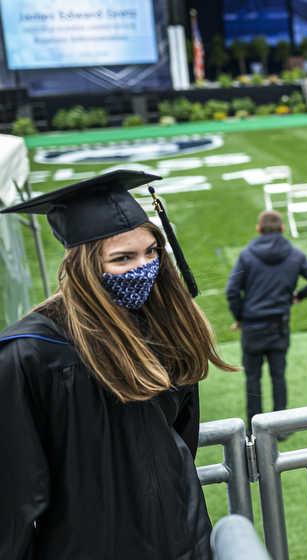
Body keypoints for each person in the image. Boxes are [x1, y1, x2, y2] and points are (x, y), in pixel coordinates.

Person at [0, 170, 237, 559]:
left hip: (186, 541)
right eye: (122, 257)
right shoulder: (30, 354)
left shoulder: (164, 328)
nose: (144, 267)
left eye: (151, 252)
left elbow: (181, 437)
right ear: (84, 266)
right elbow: (15, 498)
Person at [226, 209, 307, 431]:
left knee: (253, 378)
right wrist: (298, 296)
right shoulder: (295, 255)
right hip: (278, 326)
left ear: (259, 229)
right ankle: (281, 429)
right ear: (282, 229)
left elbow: (232, 292)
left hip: (251, 327)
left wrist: (239, 317)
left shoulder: (246, 255)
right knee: (278, 375)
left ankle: (253, 429)